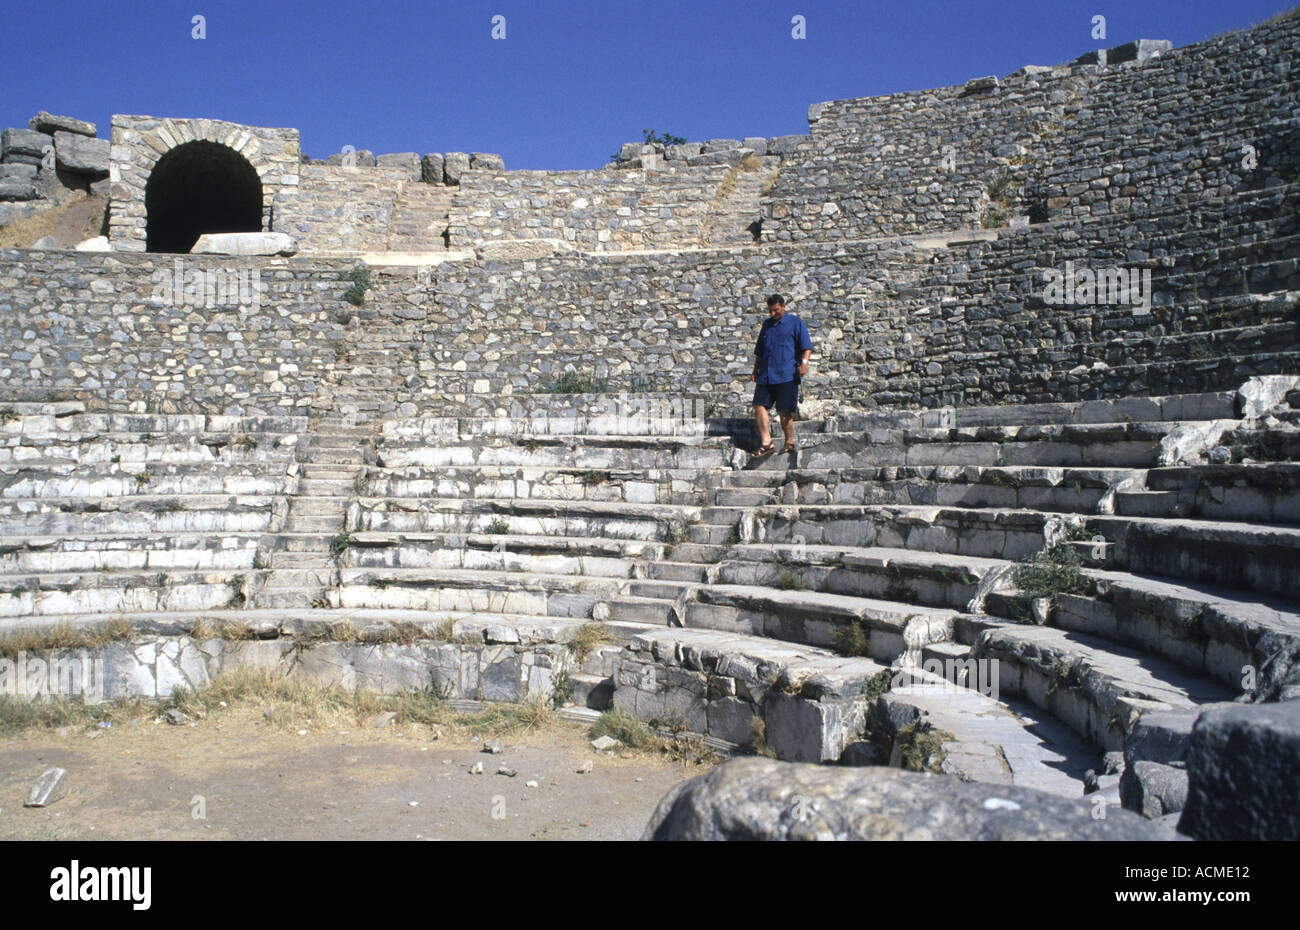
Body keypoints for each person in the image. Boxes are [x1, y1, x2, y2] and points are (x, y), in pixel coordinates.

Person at [750, 293, 812, 455]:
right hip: (766, 374)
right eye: (770, 310)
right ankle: (767, 443)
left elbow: (806, 346)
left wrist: (804, 364)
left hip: (787, 374)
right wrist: (755, 370)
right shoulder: (767, 325)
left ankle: (789, 442)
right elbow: (760, 351)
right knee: (759, 405)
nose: (773, 314)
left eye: (776, 310)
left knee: (784, 411)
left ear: (783, 306)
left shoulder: (795, 323)